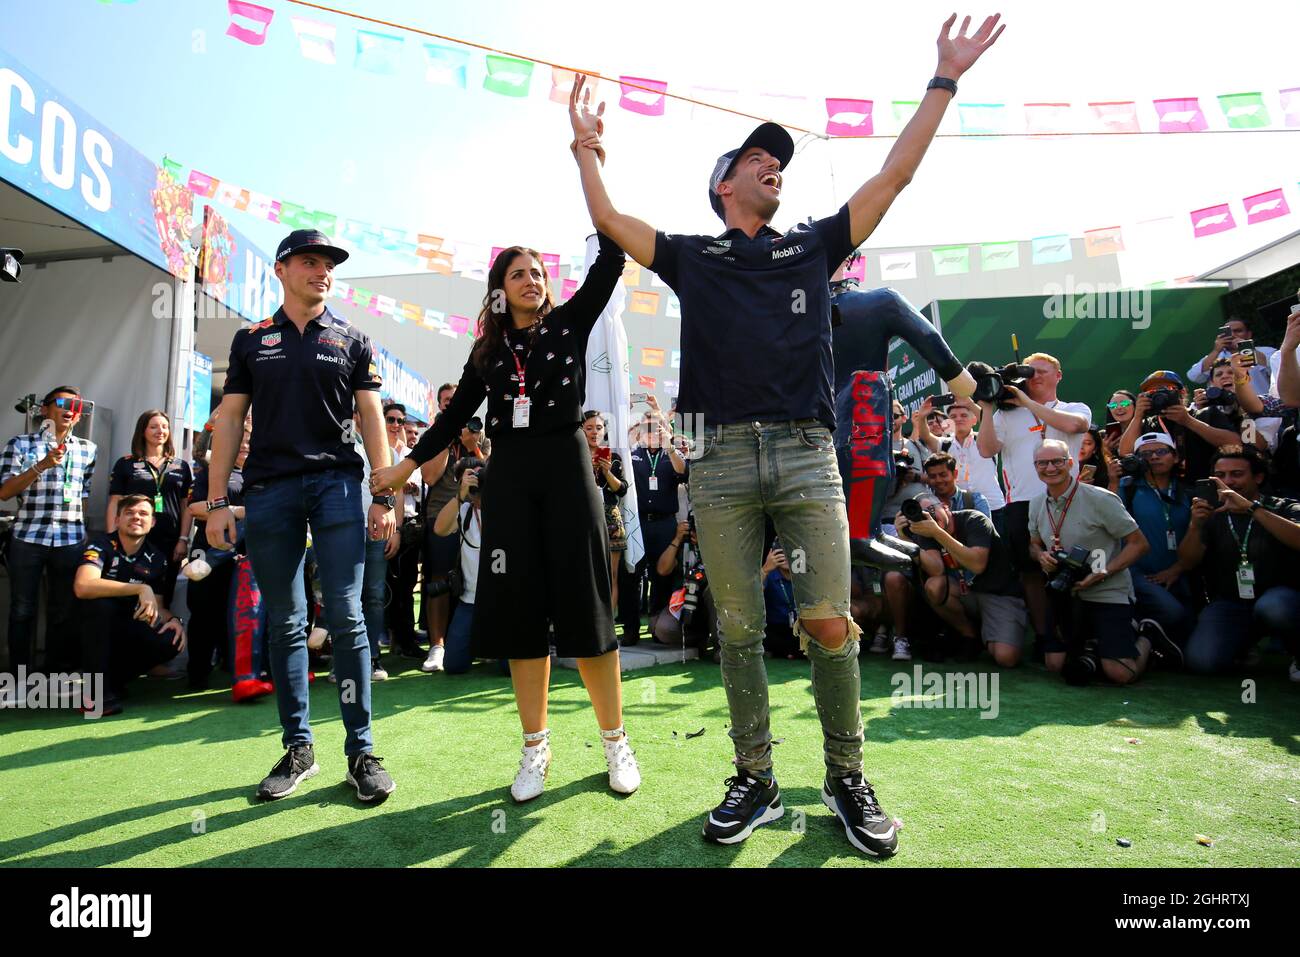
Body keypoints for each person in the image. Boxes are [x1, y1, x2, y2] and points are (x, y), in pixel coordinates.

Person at [561, 12, 1005, 856]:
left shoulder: (812, 246)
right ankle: (755, 777)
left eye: (779, 161)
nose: (775, 165)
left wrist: (944, 78)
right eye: (757, 159)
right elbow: (611, 219)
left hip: (806, 453)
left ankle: (846, 777)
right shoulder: (694, 257)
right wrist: (587, 149)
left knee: (829, 622)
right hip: (720, 461)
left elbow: (895, 174)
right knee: (735, 629)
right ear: (723, 185)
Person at [372, 228, 642, 804]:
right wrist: (405, 467)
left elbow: (610, 261)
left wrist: (595, 188)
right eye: (518, 273)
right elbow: (451, 421)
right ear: (498, 289)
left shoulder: (568, 323)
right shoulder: (487, 353)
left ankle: (615, 741)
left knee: (589, 611)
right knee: (522, 617)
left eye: (537, 273)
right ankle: (535, 748)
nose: (531, 280)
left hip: (569, 471)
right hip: (512, 479)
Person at [205, 228, 396, 805]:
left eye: (328, 265)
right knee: (286, 621)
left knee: (347, 616)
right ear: (282, 270)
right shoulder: (250, 340)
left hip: (338, 485)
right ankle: (298, 749)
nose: (322, 272)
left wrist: (384, 495)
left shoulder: (353, 338)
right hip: (269, 490)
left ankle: (361, 751)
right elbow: (229, 420)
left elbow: (371, 417)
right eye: (310, 262)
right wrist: (217, 502)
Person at [1028, 440, 1173, 685]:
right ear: (1035, 467)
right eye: (1043, 463)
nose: (1050, 468)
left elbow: (1139, 544)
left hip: (1107, 590)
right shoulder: (1036, 503)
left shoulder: (1101, 499)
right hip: (1067, 591)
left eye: (1057, 462)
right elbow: (1033, 544)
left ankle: (1147, 634)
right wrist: (1041, 555)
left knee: (1120, 673)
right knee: (1054, 664)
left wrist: (1103, 572)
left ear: (1070, 463)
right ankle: (1094, 647)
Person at [976, 353, 1091, 646]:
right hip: (1022, 504)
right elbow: (986, 450)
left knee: (1072, 568)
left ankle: (1078, 636)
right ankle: (1044, 637)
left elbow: (1076, 426)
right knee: (1031, 573)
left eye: (1042, 371)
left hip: (1067, 502)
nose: (1035, 377)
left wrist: (1026, 402)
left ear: (1058, 376)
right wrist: (987, 408)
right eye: (1029, 373)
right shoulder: (1006, 415)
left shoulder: (1073, 408)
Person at [0, 386, 97, 689]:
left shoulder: (87, 449)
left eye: (76, 405)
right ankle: (19, 679)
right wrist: (41, 465)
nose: (70, 409)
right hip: (28, 537)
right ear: (44, 409)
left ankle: (54, 676)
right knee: (22, 609)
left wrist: (83, 533)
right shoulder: (21, 444)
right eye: (63, 402)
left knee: (63, 611)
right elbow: (5, 492)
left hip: (70, 539)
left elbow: (83, 494)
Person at [1177, 445, 1300, 678]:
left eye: (1237, 474)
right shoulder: (1211, 513)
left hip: (1282, 597)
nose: (1228, 482)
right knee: (1202, 661)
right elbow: (1188, 561)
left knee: (1274, 607)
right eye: (1220, 475)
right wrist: (1195, 526)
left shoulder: (1283, 507)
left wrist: (1252, 508)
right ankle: (1242, 648)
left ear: (1258, 477)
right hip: (1231, 602)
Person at [74, 495, 186, 716]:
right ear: (117, 520)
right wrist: (138, 588)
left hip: (128, 626)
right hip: (89, 630)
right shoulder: (100, 545)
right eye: (129, 513)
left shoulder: (156, 558)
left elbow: (158, 607)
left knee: (170, 638)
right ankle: (95, 695)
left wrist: (174, 621)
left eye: (143, 514)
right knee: (102, 607)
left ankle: (113, 683)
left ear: (152, 522)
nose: (136, 517)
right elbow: (83, 586)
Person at [896, 491, 1027, 666]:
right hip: (966, 593)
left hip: (998, 594)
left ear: (945, 507)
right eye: (923, 513)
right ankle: (969, 635)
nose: (929, 517)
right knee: (934, 586)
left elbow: (977, 565)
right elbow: (936, 569)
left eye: (931, 510)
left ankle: (990, 633)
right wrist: (906, 540)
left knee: (1006, 657)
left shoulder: (974, 519)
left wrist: (937, 533)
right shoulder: (926, 531)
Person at [106, 409, 194, 606]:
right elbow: (114, 502)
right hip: (133, 539)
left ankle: (159, 625)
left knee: (163, 596)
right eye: (153, 427)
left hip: (169, 542)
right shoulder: (126, 463)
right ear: (143, 431)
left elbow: (186, 506)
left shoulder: (181, 466)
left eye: (164, 427)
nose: (160, 431)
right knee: (127, 595)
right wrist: (112, 538)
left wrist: (183, 539)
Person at [1118, 433, 1196, 653]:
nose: (1154, 457)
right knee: (1172, 612)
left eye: (1161, 451)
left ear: (1175, 456)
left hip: (1179, 573)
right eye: (1145, 454)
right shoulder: (1127, 487)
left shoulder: (1188, 492)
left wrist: (1176, 570)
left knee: (1189, 638)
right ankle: (1144, 632)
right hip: (1137, 573)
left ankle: (1143, 632)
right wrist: (1113, 481)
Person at [418, 416, 484, 672]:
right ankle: (438, 645)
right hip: (445, 512)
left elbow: (491, 472)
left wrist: (473, 446)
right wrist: (447, 438)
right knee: (441, 579)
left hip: (481, 510)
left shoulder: (480, 436)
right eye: (446, 401)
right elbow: (429, 476)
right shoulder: (435, 437)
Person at [621, 401, 688, 643]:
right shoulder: (633, 455)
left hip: (665, 524)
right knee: (632, 574)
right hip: (637, 523)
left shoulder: (672, 454)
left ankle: (658, 625)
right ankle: (630, 628)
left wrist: (669, 445)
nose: (652, 433)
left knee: (663, 575)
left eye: (656, 428)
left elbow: (683, 471)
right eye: (647, 428)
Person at [1119, 370, 1240, 483]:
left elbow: (1234, 444)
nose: (1159, 395)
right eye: (1151, 392)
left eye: (1167, 389)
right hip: (1167, 491)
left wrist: (1188, 421)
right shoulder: (1148, 424)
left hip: (1204, 485)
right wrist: (1137, 416)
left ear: (1183, 392)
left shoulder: (1206, 414)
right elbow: (1125, 452)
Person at [914, 395, 1006, 525]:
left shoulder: (986, 439)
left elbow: (988, 420)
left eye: (964, 415)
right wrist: (922, 416)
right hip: (960, 509)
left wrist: (970, 403)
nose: (958, 419)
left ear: (974, 420)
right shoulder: (945, 444)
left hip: (994, 507)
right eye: (953, 416)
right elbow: (926, 436)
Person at [382, 402, 422, 662]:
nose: (396, 425)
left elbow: (417, 489)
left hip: (407, 527)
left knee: (406, 587)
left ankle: (405, 640)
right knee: (381, 589)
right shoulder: (375, 451)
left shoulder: (411, 455)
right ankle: (385, 640)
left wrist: (407, 485)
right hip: (381, 525)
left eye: (400, 421)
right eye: (391, 420)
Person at [651, 515, 718, 656]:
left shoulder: (717, 543)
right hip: (686, 603)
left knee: (713, 592)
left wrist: (705, 543)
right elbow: (662, 569)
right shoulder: (683, 545)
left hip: (710, 603)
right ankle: (701, 637)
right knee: (661, 629)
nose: (695, 532)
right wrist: (677, 538)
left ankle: (720, 645)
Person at [583, 410, 629, 611]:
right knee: (585, 572)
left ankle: (608, 622)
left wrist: (606, 471)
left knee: (611, 574)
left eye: (599, 428)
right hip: (583, 518)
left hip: (610, 520)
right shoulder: (574, 456)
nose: (594, 432)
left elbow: (622, 489)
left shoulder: (614, 457)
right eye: (589, 428)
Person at [1186, 315, 1275, 397]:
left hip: (1261, 404)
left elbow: (1277, 367)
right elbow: (1194, 376)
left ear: (1249, 334)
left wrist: (1246, 348)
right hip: (1228, 407)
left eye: (1238, 331)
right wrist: (1216, 350)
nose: (1232, 335)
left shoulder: (1266, 351)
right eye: (1228, 332)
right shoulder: (1215, 356)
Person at [921, 450, 990, 518]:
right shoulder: (923, 505)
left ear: (955, 474)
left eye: (943, 475)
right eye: (933, 476)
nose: (938, 480)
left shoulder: (976, 501)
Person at [1077, 425, 1118, 492]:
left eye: (1087, 443)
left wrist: (1113, 481)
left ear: (1095, 449)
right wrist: (1076, 488)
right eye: (1077, 441)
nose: (1081, 447)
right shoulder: (1062, 467)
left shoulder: (1102, 472)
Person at [1102, 390, 1138, 458]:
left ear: (1135, 405)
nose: (1119, 408)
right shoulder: (1103, 437)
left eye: (1125, 403)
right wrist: (1105, 451)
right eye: (1113, 405)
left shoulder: (1149, 428)